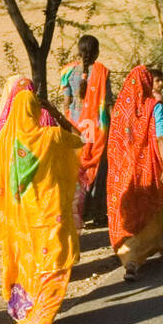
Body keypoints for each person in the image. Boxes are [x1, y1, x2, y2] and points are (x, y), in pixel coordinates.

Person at [0, 75, 82, 324]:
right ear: (35, 110)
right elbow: (80, 139)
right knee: (55, 265)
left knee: (30, 268)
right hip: (51, 216)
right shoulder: (51, 135)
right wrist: (55, 112)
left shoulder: (3, 145)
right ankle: (43, 321)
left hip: (21, 223)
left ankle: (36, 317)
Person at [106, 64, 163, 283]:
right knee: (159, 202)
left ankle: (131, 260)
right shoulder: (154, 105)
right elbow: (161, 136)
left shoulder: (120, 110)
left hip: (126, 170)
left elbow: (114, 143)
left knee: (133, 208)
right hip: (151, 163)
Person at [59, 35, 113, 228]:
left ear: (78, 51)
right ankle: (98, 213)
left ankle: (77, 213)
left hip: (75, 128)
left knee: (77, 170)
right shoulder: (102, 72)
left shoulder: (67, 72)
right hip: (97, 129)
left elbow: (66, 103)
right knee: (98, 169)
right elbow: (107, 103)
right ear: (96, 51)